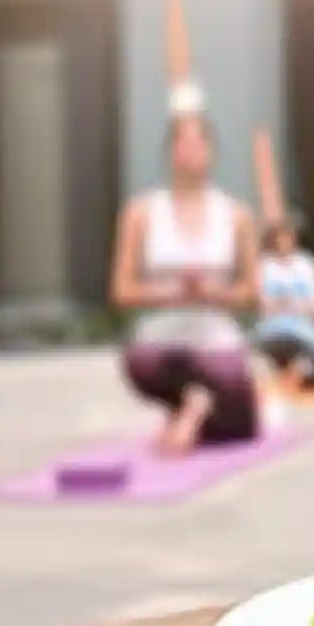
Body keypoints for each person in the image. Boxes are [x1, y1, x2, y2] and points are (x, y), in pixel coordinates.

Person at [111, 110, 261, 456]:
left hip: (214, 334)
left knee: (242, 424)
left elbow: (250, 292)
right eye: (183, 143)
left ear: (211, 151)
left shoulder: (237, 214)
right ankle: (192, 403)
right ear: (171, 151)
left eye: (199, 143)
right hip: (161, 337)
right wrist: (174, 291)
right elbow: (121, 290)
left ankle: (193, 406)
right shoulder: (141, 212)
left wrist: (209, 291)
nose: (191, 151)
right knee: (143, 363)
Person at [255, 221, 314, 392]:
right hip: (276, 329)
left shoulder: (306, 265)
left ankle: (296, 371)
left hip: (306, 328)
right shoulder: (264, 267)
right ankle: (291, 369)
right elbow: (264, 303)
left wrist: (312, 307)